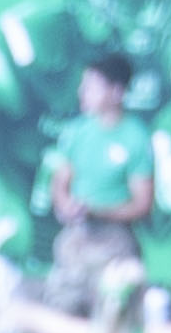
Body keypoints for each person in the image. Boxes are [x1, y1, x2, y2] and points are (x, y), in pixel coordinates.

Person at [51, 52, 161, 305]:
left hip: (116, 243)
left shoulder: (136, 138)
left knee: (114, 311)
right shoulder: (77, 131)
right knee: (63, 305)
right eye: (83, 86)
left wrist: (98, 212)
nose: (83, 92)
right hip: (76, 238)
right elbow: (60, 181)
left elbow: (142, 204)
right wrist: (66, 205)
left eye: (91, 87)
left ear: (116, 92)